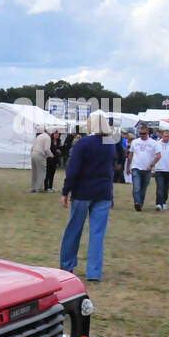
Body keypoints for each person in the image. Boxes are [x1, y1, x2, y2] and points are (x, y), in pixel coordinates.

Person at [59, 114, 117, 282]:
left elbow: (73, 170)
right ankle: (94, 272)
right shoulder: (110, 143)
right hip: (104, 192)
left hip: (83, 192)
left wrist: (65, 191)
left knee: (74, 229)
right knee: (97, 233)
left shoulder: (83, 143)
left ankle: (67, 265)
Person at [128, 127, 159, 211]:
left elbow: (159, 156)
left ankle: (140, 204)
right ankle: (137, 202)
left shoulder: (153, 143)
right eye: (140, 133)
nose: (142, 135)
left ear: (148, 132)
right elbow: (130, 155)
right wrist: (128, 166)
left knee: (143, 188)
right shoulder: (135, 142)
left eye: (144, 134)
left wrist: (151, 165)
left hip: (147, 169)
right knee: (136, 187)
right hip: (136, 167)